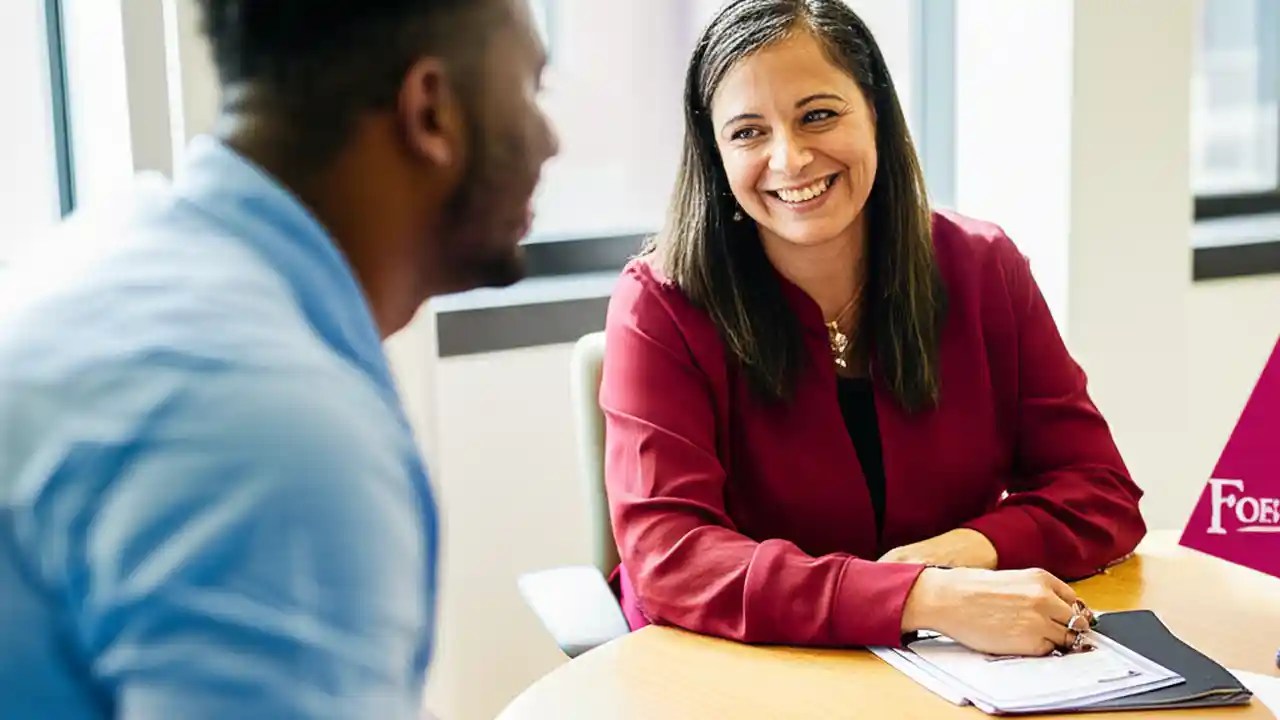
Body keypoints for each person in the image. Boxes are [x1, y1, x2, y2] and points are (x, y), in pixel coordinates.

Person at [0, 0, 556, 717]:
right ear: (431, 111)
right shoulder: (269, 431)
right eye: (531, 90)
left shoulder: (117, 263)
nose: (550, 140)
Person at [601, 0, 1144, 659]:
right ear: (714, 155)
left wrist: (970, 551)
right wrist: (918, 596)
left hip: (949, 669)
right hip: (740, 668)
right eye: (747, 132)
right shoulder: (659, 302)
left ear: (877, 114)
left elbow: (1100, 491)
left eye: (819, 115)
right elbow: (671, 558)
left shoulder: (980, 267)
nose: (790, 158)